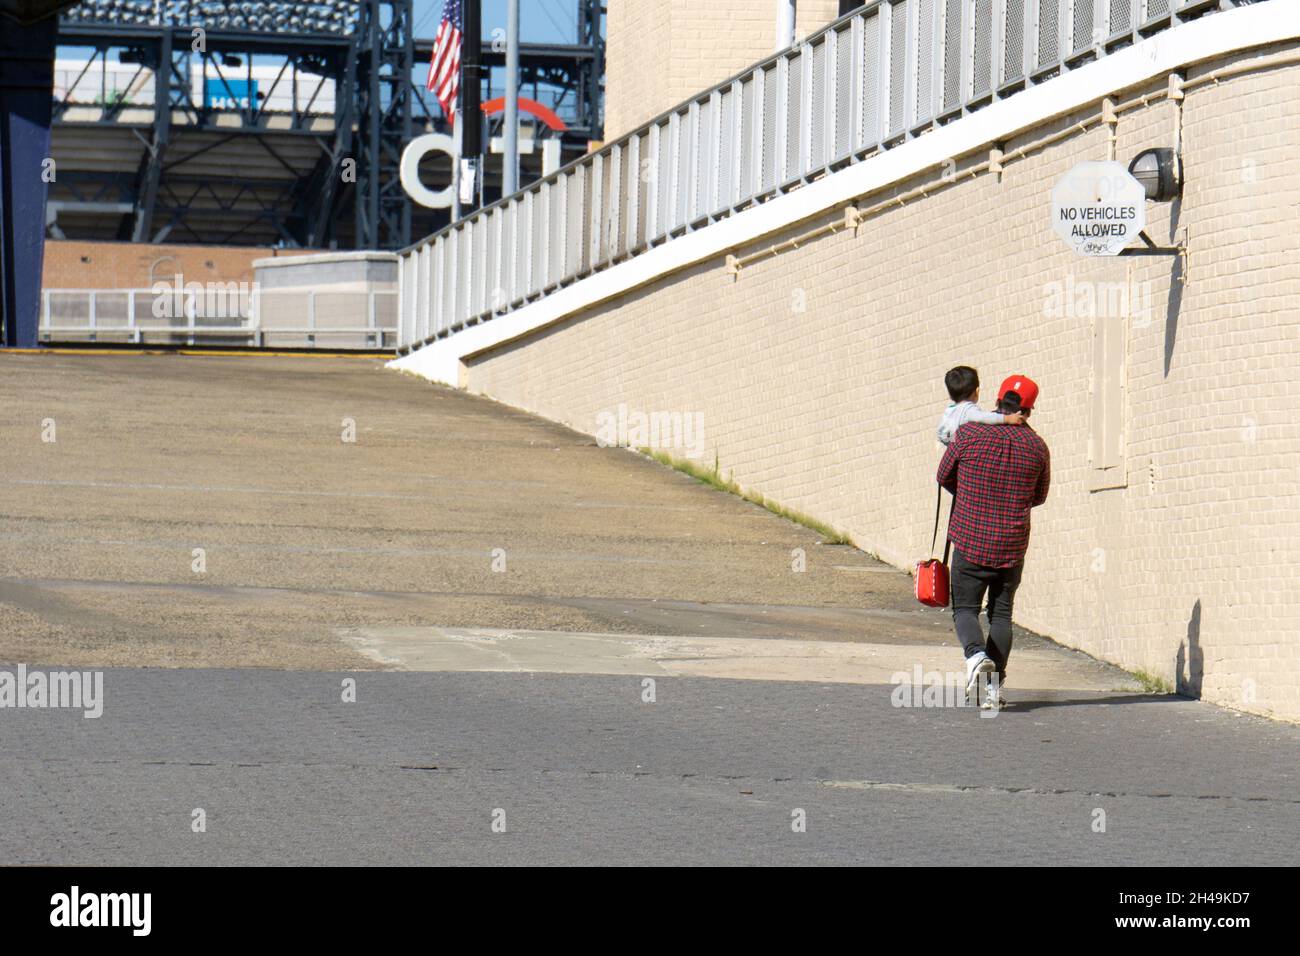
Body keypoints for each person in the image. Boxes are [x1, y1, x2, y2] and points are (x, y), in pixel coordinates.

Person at [936, 374, 1050, 709]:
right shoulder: (1037, 447)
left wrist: (971, 490)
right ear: (1028, 408)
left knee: (965, 609)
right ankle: (991, 690)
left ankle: (975, 658)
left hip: (970, 538)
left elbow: (943, 475)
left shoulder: (969, 433)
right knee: (1001, 615)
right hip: (1012, 546)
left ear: (997, 398)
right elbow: (1039, 496)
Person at [937, 365, 1026, 446]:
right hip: (966, 447)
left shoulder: (949, 411)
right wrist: (1008, 418)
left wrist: (952, 441)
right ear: (977, 391)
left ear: (950, 395)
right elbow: (984, 417)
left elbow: (942, 435)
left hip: (953, 449)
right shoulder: (968, 409)